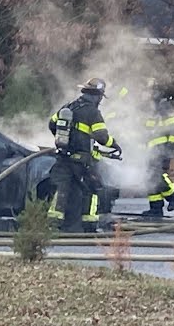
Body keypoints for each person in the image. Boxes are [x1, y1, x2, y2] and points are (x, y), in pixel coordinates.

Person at [48, 77, 121, 232]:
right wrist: (114, 144)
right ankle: (89, 225)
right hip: (82, 162)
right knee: (93, 189)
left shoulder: (69, 107)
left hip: (63, 158)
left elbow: (52, 124)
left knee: (61, 189)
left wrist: (67, 140)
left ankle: (54, 224)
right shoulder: (93, 113)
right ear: (98, 96)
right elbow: (101, 137)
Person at [141, 78, 174, 217]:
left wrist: (169, 152)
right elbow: (148, 129)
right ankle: (156, 208)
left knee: (157, 176)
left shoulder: (165, 107)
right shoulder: (153, 108)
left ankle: (172, 195)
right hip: (151, 150)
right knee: (149, 178)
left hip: (161, 150)